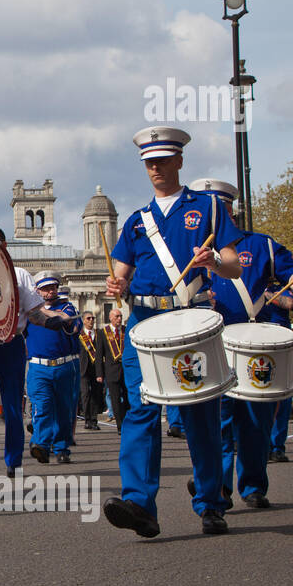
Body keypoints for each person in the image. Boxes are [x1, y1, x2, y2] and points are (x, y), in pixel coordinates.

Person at [102, 128, 244, 537]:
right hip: (144, 323)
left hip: (190, 320)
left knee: (200, 411)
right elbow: (122, 275)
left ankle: (211, 502)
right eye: (149, 162)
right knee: (142, 411)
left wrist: (213, 260)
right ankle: (139, 504)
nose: (156, 168)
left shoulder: (210, 207)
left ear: (179, 161)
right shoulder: (135, 221)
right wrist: (117, 286)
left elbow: (234, 264)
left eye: (163, 160)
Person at [190, 177, 293, 509]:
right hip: (217, 342)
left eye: (218, 208)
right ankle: (219, 486)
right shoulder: (192, 252)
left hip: (258, 342)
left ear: (230, 211)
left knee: (256, 417)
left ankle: (253, 484)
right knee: (220, 418)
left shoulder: (261, 245)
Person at [0, 228, 63, 477]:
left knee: (11, 406)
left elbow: (34, 312)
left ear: (5, 245)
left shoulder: (19, 275)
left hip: (10, 344)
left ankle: (14, 461)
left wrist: (52, 321)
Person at [25, 273, 82, 465]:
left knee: (64, 409)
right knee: (42, 406)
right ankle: (41, 444)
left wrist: (42, 310)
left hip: (64, 364)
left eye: (53, 288)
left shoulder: (66, 306)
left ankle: (61, 447)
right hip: (38, 366)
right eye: (45, 288)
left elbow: (68, 320)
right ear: (37, 291)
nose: (50, 292)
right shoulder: (28, 313)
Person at [96, 308, 128, 431]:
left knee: (127, 398)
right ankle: (120, 426)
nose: (119, 319)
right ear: (110, 318)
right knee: (114, 399)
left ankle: (127, 421)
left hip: (125, 370)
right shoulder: (103, 332)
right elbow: (99, 355)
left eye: (120, 316)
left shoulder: (125, 331)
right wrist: (99, 373)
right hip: (111, 371)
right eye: (116, 316)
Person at [76, 311, 102, 430]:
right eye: (88, 318)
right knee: (85, 394)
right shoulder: (78, 335)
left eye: (93, 318)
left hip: (96, 369)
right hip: (83, 368)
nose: (91, 320)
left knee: (96, 394)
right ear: (83, 320)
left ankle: (94, 419)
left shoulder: (99, 334)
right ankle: (87, 419)